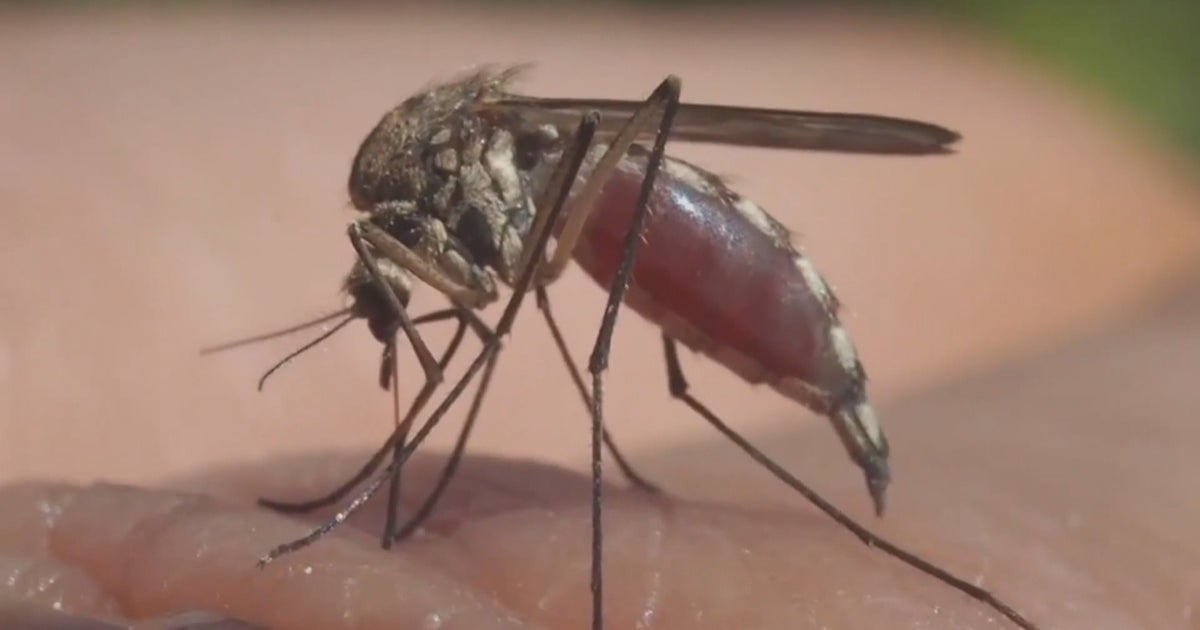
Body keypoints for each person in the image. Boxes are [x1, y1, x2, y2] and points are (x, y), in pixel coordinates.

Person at [2, 7, 1198, 629]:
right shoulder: (408, 213)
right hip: (595, 213)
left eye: (381, 290)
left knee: (604, 185)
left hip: (650, 207)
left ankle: (689, 419)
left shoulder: (433, 182)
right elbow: (474, 303)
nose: (391, 307)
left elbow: (496, 292)